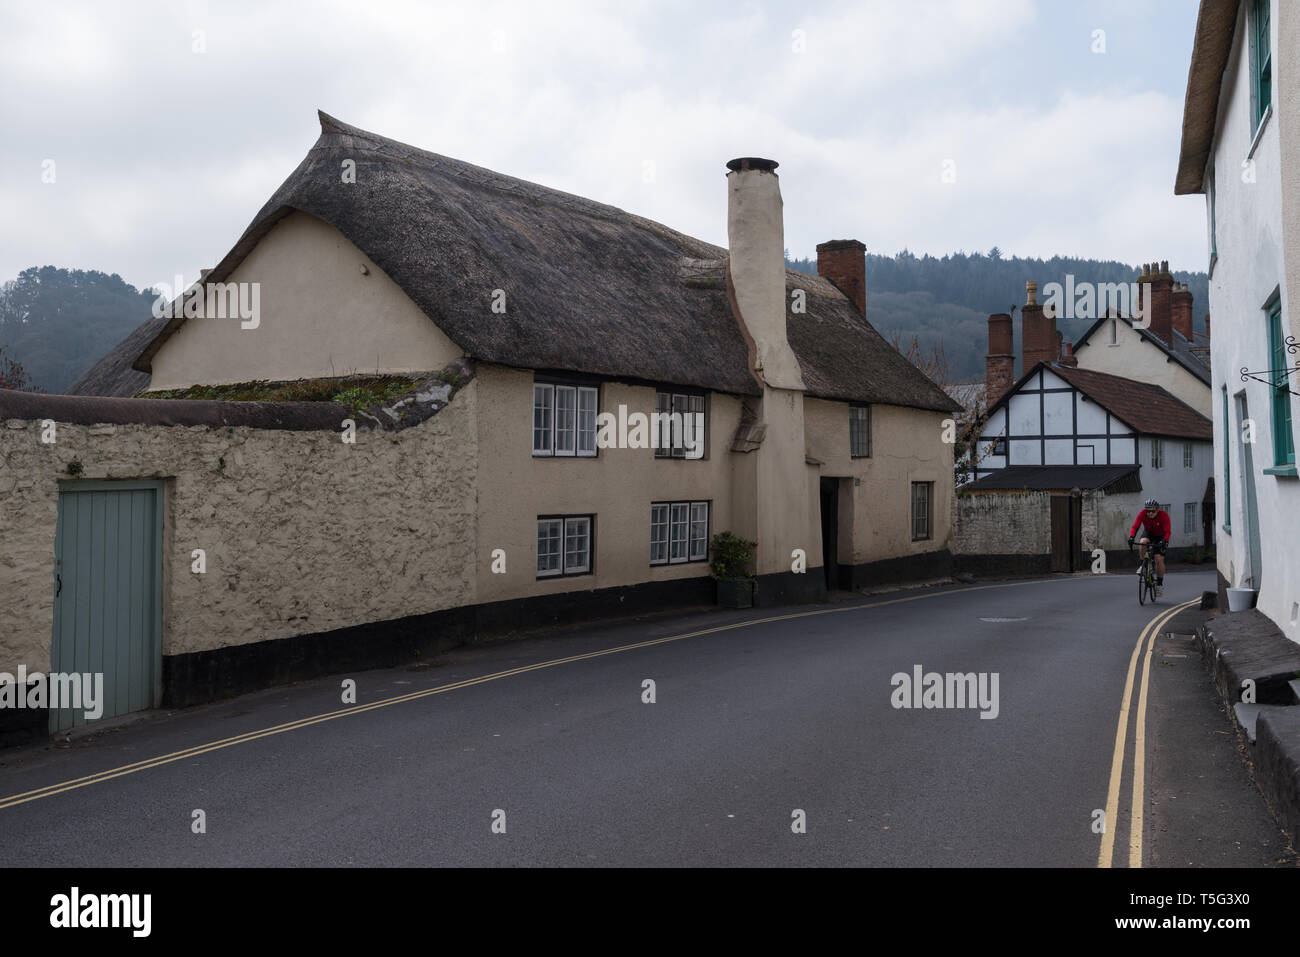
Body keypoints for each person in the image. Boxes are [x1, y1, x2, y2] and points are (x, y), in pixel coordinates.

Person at [1128, 498, 1171, 596]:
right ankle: (1142, 565)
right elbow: (1135, 526)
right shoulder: (1142, 513)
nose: (1150, 513)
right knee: (1143, 542)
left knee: (1158, 559)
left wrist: (1164, 541)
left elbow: (1167, 531)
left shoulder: (1163, 515)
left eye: (1152, 511)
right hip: (1149, 533)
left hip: (1161, 536)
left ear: (1157, 510)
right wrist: (1131, 537)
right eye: (1148, 511)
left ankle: (1159, 585)